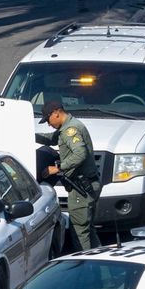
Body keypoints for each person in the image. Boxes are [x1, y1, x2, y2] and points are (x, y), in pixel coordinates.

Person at [45, 100, 98, 251]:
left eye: (48, 120)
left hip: (80, 189)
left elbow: (80, 153)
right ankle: (99, 264)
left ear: (56, 112)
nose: (48, 124)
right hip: (88, 185)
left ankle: (87, 268)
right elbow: (51, 139)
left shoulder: (71, 129)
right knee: (89, 230)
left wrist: (58, 167)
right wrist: (30, 136)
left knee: (80, 232)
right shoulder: (67, 127)